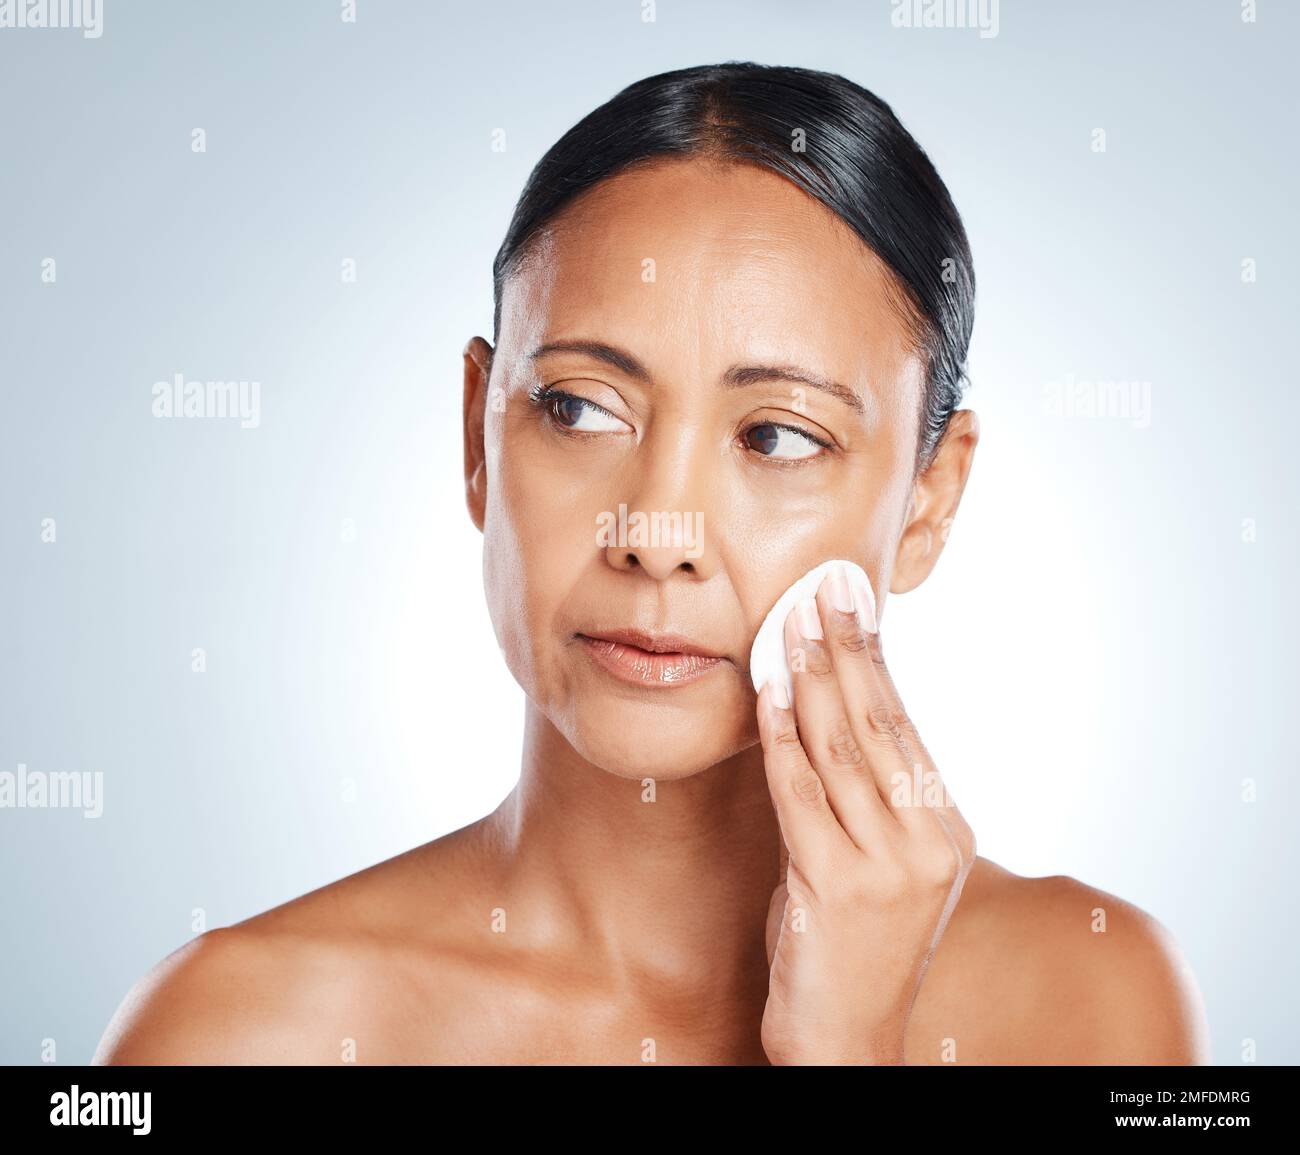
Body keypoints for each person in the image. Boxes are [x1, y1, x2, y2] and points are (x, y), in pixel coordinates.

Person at [94, 62, 1209, 1065]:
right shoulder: (239, 1030)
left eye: (776, 436)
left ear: (928, 504)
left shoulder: (1090, 996)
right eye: (579, 409)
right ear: (476, 432)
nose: (656, 536)